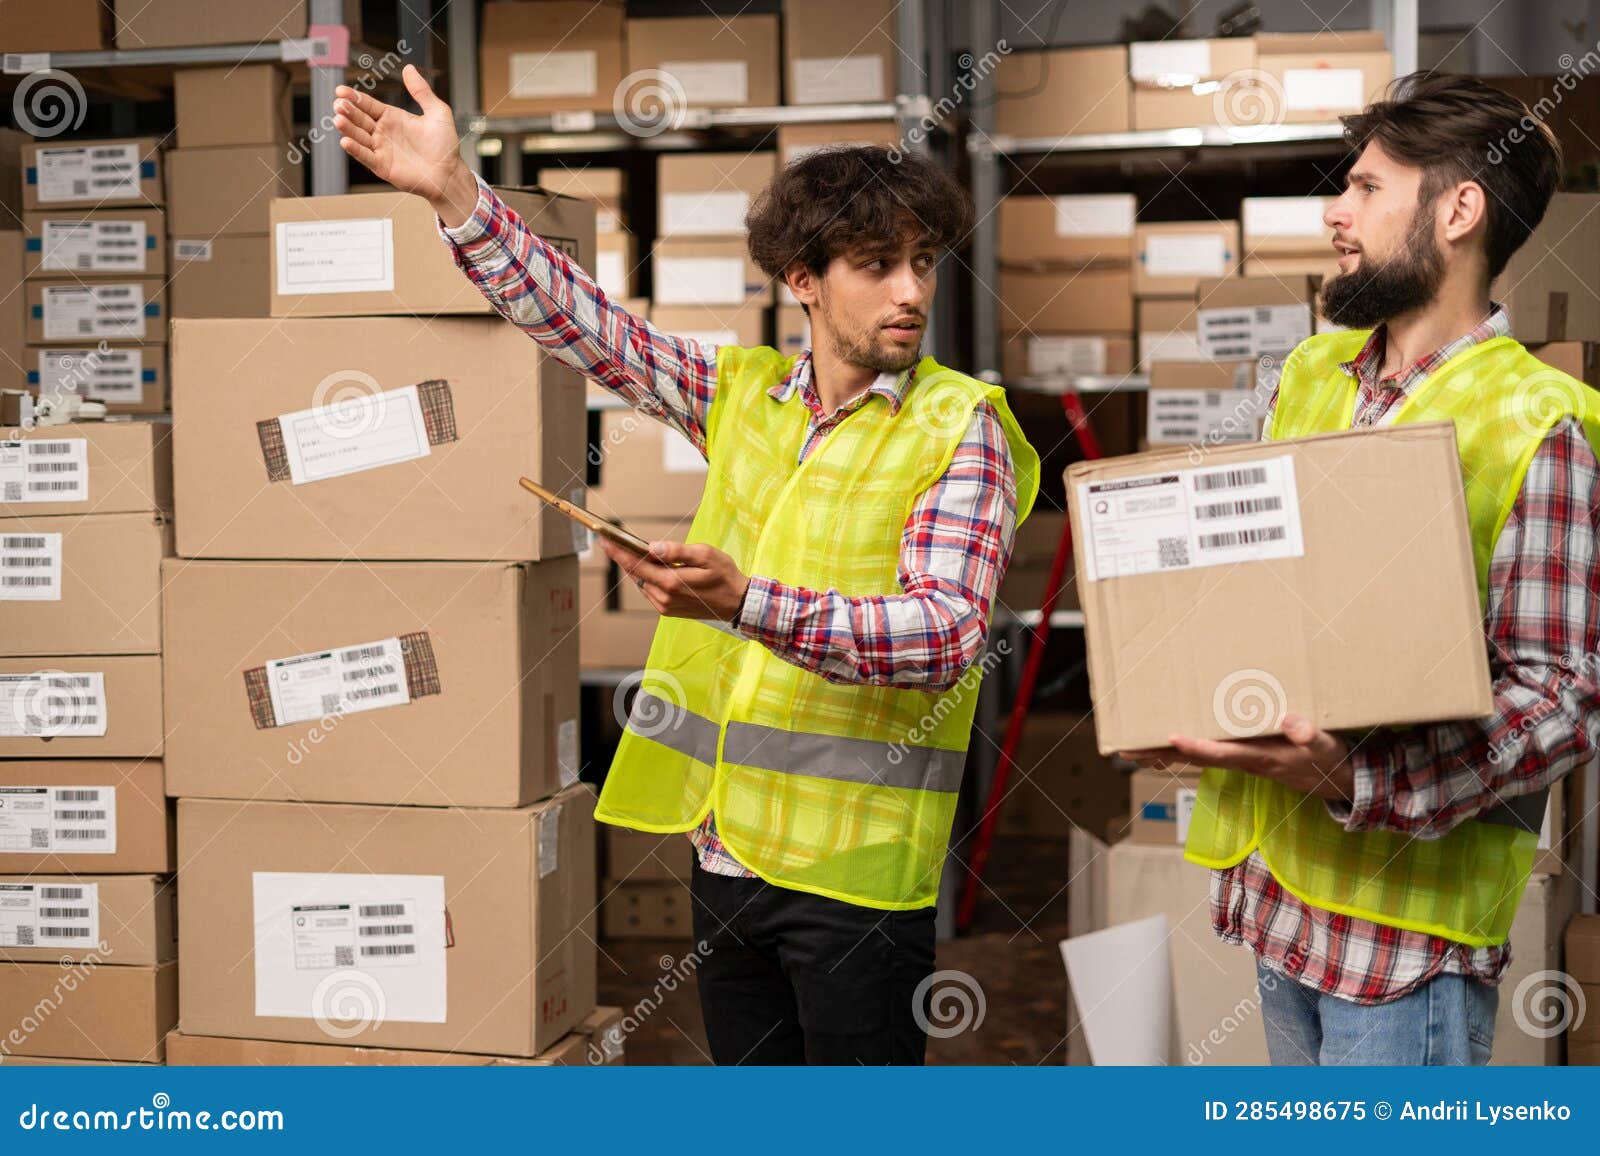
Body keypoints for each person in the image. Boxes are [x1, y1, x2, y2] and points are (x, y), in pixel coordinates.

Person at [332, 65, 1039, 1066]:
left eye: (922, 261)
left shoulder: (958, 426)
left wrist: (746, 600)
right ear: (804, 278)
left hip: (858, 882)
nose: (912, 290)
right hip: (726, 855)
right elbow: (588, 328)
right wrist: (457, 194)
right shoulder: (742, 392)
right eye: (878, 264)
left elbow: (946, 635)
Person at [1126, 72, 1600, 1065]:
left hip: (1403, 940)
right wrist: (1170, 699)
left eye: (1367, 188)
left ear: (1457, 209)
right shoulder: (1310, 374)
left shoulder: (1537, 422)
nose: (1336, 213)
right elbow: (1253, 591)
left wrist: (1359, 777)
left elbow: (1562, 700)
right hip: (1276, 904)